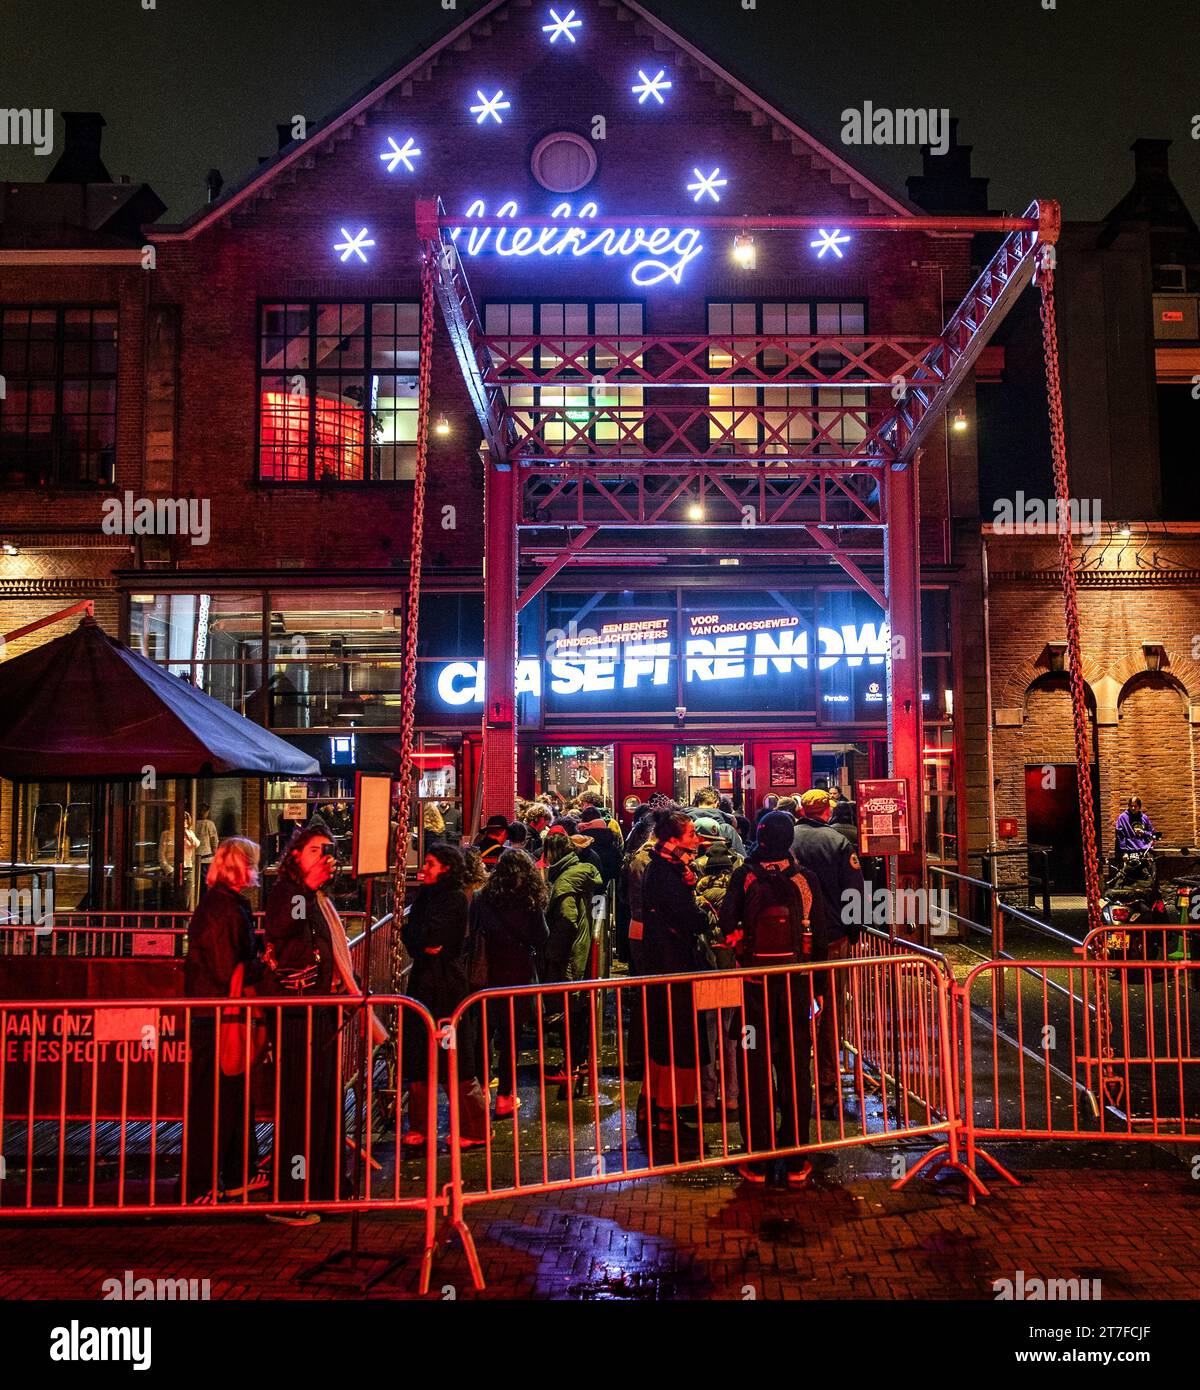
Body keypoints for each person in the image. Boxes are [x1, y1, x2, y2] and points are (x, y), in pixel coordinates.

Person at [721, 811, 828, 1186]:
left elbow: (726, 922)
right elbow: (822, 936)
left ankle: (758, 1156)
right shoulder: (804, 878)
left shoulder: (744, 875)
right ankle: (797, 1155)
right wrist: (818, 990)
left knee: (755, 1067)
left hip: (754, 988)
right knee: (797, 1067)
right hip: (795, 986)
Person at [259, 823, 345, 1225]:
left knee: (322, 1100)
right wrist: (307, 887)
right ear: (295, 855)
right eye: (313, 850)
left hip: (319, 1011)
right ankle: (291, 1193)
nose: (322, 857)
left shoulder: (312, 896)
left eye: (325, 851)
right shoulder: (288, 895)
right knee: (299, 1103)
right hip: (296, 1014)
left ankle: (324, 1187)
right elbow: (283, 929)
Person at [181, 837, 264, 1204]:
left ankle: (237, 1173)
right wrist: (262, 966)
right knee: (214, 1101)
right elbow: (225, 966)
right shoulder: (223, 910)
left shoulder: (223, 905)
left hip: (218, 1014)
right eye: (252, 863)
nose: (256, 871)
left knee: (231, 1098)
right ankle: (198, 1185)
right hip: (216, 1016)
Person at [401, 844, 490, 1147]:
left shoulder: (454, 899)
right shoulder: (426, 896)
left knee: (455, 1054)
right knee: (418, 1055)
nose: (423, 868)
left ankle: (474, 1128)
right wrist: (420, 940)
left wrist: (422, 939)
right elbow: (411, 936)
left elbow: (432, 938)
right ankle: (420, 1126)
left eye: (429, 863)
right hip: (423, 983)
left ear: (446, 867)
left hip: (447, 987)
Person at [791, 788, 866, 1118]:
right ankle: (826, 1085)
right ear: (827, 810)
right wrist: (854, 931)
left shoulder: (786, 839)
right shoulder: (838, 843)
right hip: (833, 939)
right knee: (831, 1012)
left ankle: (793, 1079)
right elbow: (854, 892)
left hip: (792, 941)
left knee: (793, 1011)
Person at [640, 810, 711, 1138]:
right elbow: (685, 917)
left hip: (664, 961)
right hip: (671, 964)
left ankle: (656, 1100)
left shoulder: (666, 866)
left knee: (665, 1032)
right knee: (673, 1032)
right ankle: (666, 1106)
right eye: (691, 833)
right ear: (673, 839)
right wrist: (704, 917)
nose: (696, 839)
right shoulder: (664, 872)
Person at [470, 849, 548, 1117]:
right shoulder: (529, 900)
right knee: (511, 1038)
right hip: (518, 973)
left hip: (486, 973)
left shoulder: (482, 898)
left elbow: (472, 933)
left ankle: (482, 1093)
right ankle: (505, 1095)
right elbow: (542, 935)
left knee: (484, 1035)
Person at [542, 830, 603, 1090]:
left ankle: (572, 1064)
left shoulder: (565, 882)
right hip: (578, 948)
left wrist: (552, 952)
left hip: (568, 955)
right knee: (576, 1009)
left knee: (570, 1009)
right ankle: (578, 1060)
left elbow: (567, 919)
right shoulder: (578, 873)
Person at [693, 816, 743, 1121]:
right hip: (732, 961)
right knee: (731, 1033)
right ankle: (733, 1095)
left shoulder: (695, 887)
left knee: (708, 1030)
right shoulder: (738, 886)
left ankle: (708, 1094)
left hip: (705, 963)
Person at [159, 810, 201, 909]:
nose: (183, 822)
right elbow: (161, 855)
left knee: (185, 899)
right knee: (172, 899)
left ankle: (183, 921)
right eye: (182, 820)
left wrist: (186, 831)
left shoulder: (189, 834)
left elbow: (196, 844)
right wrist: (169, 870)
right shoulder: (166, 834)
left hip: (187, 868)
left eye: (186, 820)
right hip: (172, 868)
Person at [576, 805, 623, 885]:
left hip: (588, 885)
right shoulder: (610, 836)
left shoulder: (581, 841)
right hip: (606, 883)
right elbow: (617, 864)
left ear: (583, 821)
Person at [194, 805, 219, 899]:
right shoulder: (209, 824)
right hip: (207, 857)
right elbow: (214, 840)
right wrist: (215, 852)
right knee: (205, 883)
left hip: (194, 857)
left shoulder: (193, 823)